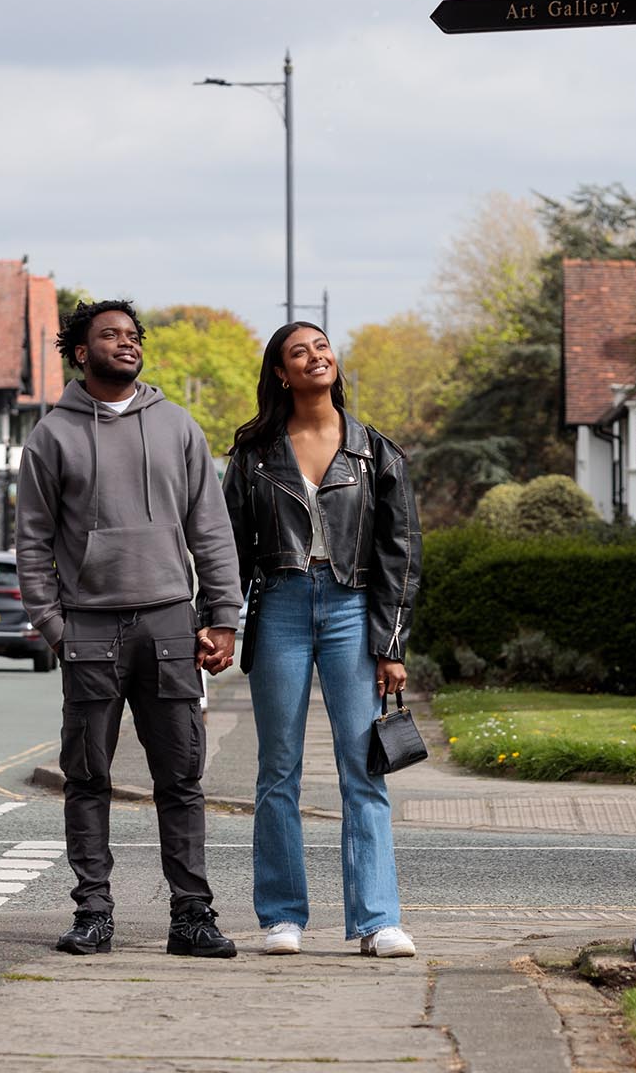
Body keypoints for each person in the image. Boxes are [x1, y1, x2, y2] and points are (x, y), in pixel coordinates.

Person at [16, 299, 243, 959]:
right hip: (88, 626)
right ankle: (93, 913)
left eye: (132, 334)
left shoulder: (177, 426)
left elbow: (210, 529)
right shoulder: (51, 436)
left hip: (170, 620)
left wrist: (223, 617)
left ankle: (192, 916)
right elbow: (31, 542)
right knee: (87, 777)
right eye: (110, 335)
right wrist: (54, 625)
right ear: (80, 352)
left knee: (181, 778)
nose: (127, 343)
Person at [223, 321, 421, 958]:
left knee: (363, 767)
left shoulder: (376, 453)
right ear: (281, 373)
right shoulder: (253, 454)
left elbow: (401, 555)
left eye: (322, 346)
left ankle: (378, 920)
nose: (315, 356)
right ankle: (282, 917)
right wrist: (217, 618)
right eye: (299, 351)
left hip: (352, 609)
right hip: (278, 605)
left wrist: (392, 643)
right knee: (277, 769)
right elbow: (228, 547)